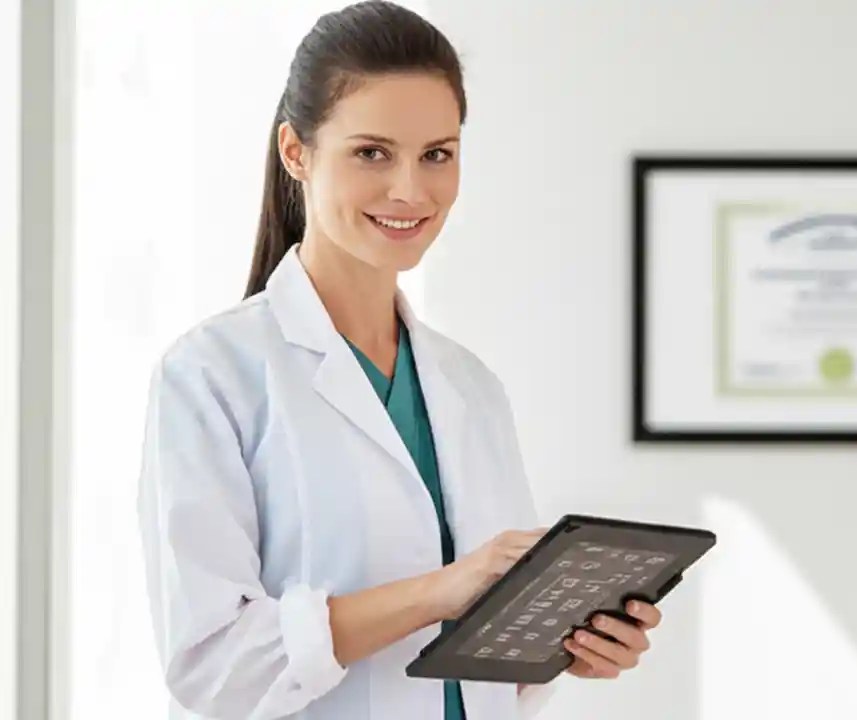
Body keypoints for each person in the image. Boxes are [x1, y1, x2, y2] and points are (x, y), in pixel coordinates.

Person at [135, 2, 661, 718]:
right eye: (372, 153)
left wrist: (564, 645)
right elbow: (213, 666)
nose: (411, 191)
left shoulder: (469, 386)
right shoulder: (212, 375)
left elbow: (482, 669)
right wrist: (440, 589)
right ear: (297, 152)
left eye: (436, 154)